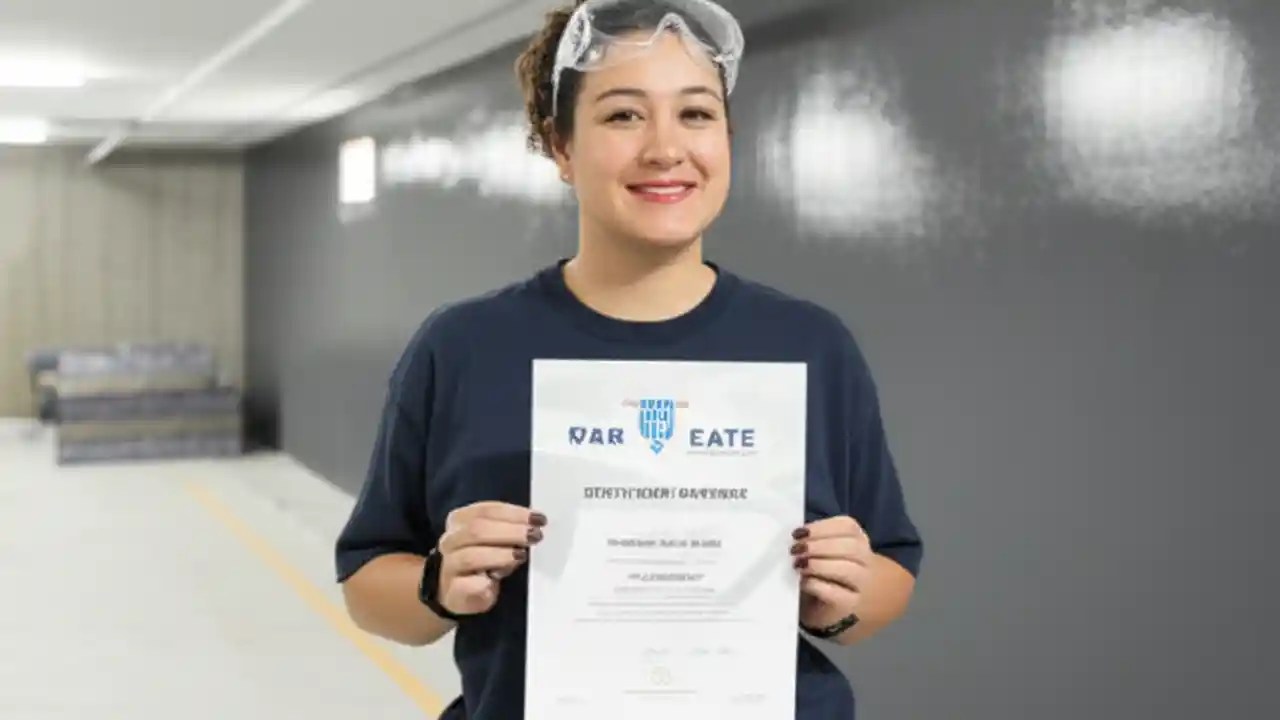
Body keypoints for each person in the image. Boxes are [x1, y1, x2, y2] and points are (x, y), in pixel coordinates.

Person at [334, 0, 923, 717]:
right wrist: (437, 584)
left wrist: (838, 600)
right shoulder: (462, 347)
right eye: (623, 115)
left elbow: (889, 568)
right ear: (560, 147)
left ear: (727, 137)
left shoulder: (810, 345)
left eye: (697, 114)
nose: (666, 149)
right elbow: (370, 584)